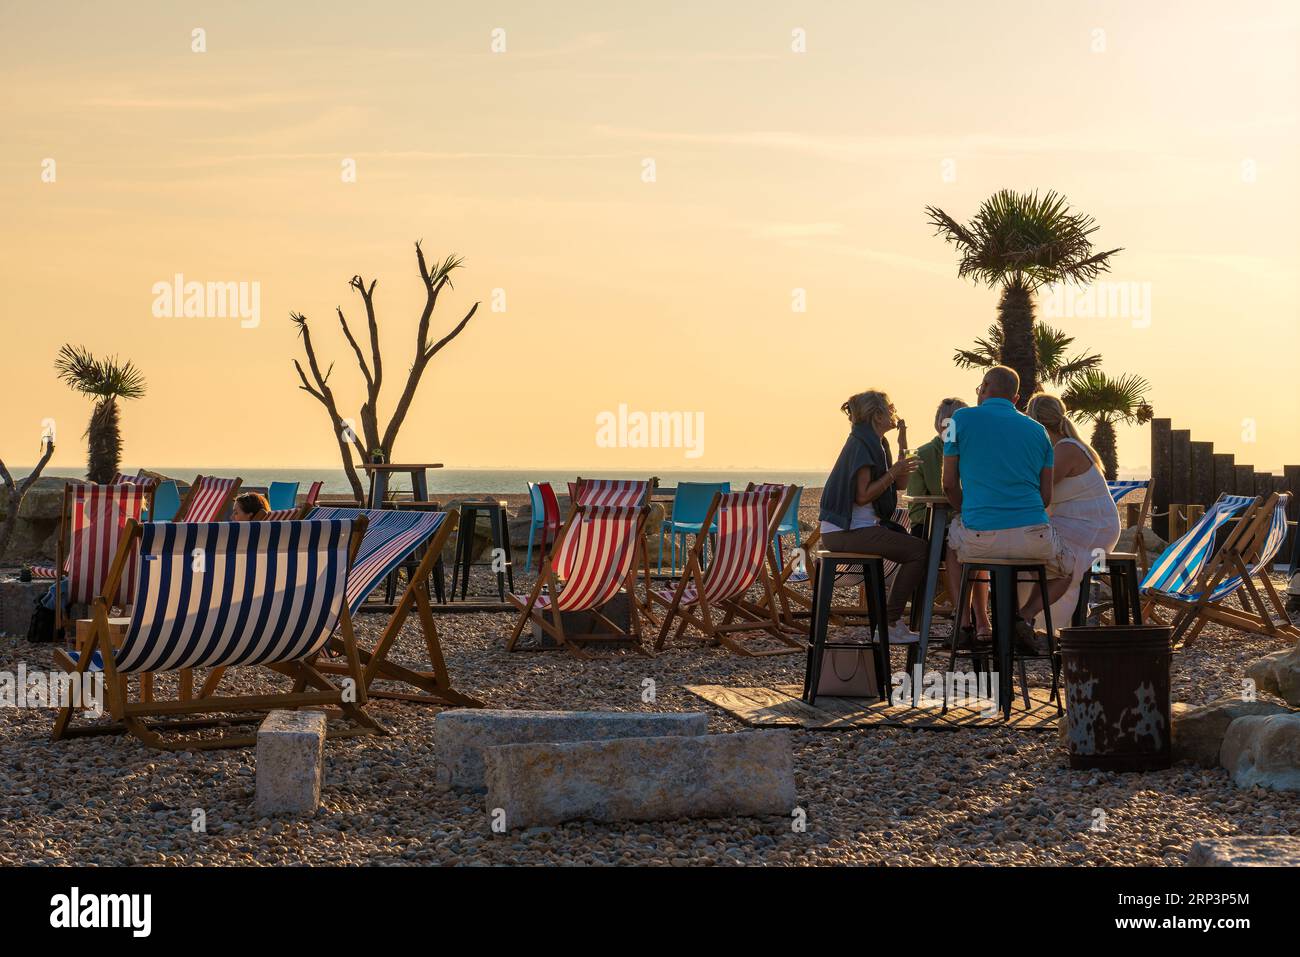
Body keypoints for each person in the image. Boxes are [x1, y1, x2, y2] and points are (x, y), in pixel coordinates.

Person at [942, 366, 1071, 651]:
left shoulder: (958, 420)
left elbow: (949, 484)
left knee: (952, 549)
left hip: (980, 540)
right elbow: (1045, 496)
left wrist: (969, 512)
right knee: (1068, 570)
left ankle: (964, 625)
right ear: (1015, 399)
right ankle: (1021, 619)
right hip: (1032, 540)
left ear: (984, 386)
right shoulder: (1039, 431)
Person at [820, 389, 926, 641]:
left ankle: (892, 622)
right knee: (919, 551)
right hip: (846, 531)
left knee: (918, 548)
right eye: (890, 408)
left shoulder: (876, 443)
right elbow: (863, 495)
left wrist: (903, 445)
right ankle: (890, 624)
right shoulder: (862, 445)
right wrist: (893, 471)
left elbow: (900, 484)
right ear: (877, 415)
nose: (894, 413)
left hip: (855, 528)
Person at [1023, 392, 1120, 625]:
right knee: (1025, 553)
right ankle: (1029, 621)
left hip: (1092, 526)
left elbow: (1035, 489)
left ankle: (1032, 619)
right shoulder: (1058, 448)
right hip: (1070, 522)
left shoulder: (1066, 449)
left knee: (1049, 557)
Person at [906, 396, 991, 641]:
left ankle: (978, 617)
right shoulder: (922, 455)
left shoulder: (974, 453)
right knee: (960, 542)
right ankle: (969, 617)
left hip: (966, 523)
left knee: (975, 544)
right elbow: (916, 510)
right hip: (932, 526)